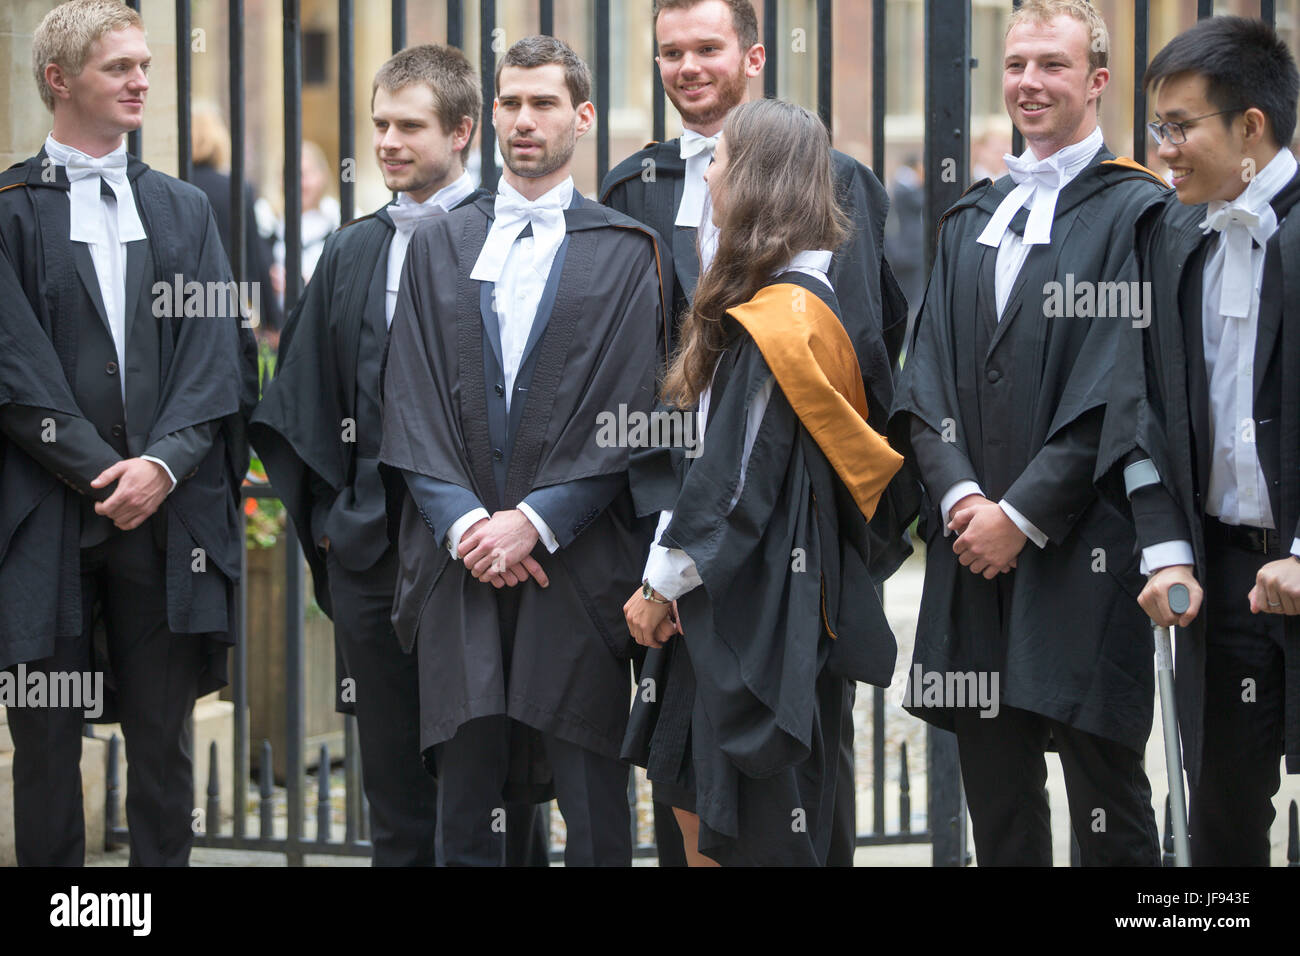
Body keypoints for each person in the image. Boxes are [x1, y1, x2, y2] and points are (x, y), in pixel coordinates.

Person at [600, 0, 917, 866]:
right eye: (672, 50)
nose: (705, 177)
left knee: (765, 806)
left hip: (758, 587)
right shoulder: (659, 204)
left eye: (724, 166)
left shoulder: (785, 315)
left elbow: (741, 473)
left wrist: (663, 581)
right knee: (707, 793)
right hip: (734, 570)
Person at [250, 44, 559, 866]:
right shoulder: (354, 250)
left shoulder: (518, 236)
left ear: (463, 131)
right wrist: (328, 523)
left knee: (495, 789)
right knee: (391, 785)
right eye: (380, 124)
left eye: (409, 126)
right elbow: (303, 397)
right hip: (372, 558)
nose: (386, 141)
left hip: (479, 560)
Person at [377, 35, 671, 867]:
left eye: (543, 103)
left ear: (582, 116)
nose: (523, 119)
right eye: (510, 102)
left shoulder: (626, 251)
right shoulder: (436, 241)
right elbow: (411, 398)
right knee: (465, 798)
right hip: (458, 564)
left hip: (573, 566)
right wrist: (468, 525)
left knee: (591, 792)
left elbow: (630, 410)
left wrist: (535, 524)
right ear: (488, 114)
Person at [889, 0, 1168, 866]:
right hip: (974, 552)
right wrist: (965, 497)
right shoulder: (972, 215)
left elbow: (1120, 385)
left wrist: (1023, 513)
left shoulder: (1138, 213)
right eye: (1015, 66)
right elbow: (925, 372)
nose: (1029, 83)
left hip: (1085, 550)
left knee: (1107, 799)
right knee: (998, 801)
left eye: (1051, 65)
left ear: (1097, 79)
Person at [0, 0, 256, 866]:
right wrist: (102, 472)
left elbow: (219, 354)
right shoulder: (4, 211)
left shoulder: (185, 209)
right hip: (41, 524)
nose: (142, 80)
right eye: (120, 68)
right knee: (42, 744)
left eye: (145, 64)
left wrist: (163, 467)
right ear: (59, 80)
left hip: (163, 527)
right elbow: (11, 367)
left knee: (162, 741)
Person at [1097, 15, 1300, 866]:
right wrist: (1166, 549)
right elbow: (1139, 407)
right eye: (1158, 127)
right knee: (1220, 827)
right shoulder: (1174, 237)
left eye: (1180, 127)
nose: (1163, 148)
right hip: (1218, 581)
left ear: (1251, 125)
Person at [189, 102, 282, 338]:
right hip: (230, 305)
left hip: (180, 301)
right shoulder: (236, 188)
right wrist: (273, 320)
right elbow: (256, 255)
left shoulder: (172, 186)